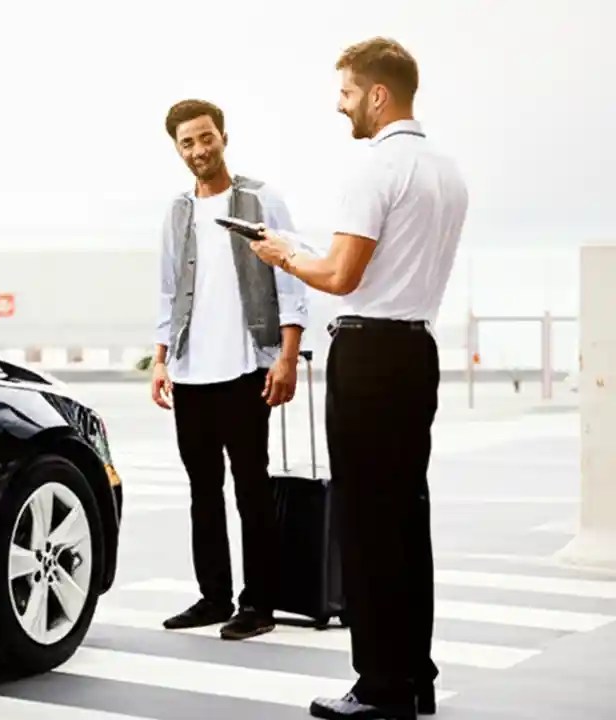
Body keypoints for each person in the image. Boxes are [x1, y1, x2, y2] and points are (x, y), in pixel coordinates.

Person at [249, 37, 468, 720]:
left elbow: (342, 276)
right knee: (406, 520)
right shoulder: (447, 170)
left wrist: (286, 254)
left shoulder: (375, 168)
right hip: (416, 353)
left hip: (369, 355)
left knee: (367, 524)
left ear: (378, 94)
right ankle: (414, 676)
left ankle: (378, 687)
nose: (340, 105)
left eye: (346, 93)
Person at [151, 99, 309, 641]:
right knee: (202, 488)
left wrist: (287, 357)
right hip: (192, 370)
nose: (198, 150)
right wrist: (160, 360)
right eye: (186, 143)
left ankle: (259, 603)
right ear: (177, 148)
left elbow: (291, 278)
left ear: (223, 136)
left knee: (251, 489)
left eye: (205, 138)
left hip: (246, 368)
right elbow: (168, 290)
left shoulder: (261, 198)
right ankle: (214, 596)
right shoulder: (177, 211)